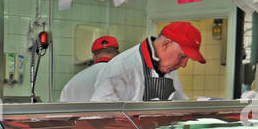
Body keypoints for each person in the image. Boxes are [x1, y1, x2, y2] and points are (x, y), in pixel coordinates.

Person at [59, 23, 203, 103]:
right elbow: (101, 116)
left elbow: (177, 100)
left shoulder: (169, 68)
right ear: (166, 44)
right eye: (182, 57)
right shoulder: (122, 67)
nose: (184, 64)